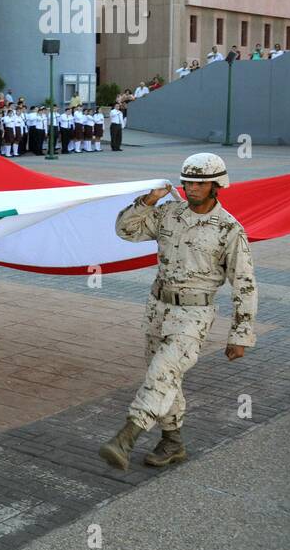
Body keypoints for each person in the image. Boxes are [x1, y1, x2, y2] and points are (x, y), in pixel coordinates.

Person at [99, 153, 256, 470]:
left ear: (216, 185)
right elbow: (125, 231)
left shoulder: (229, 230)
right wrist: (147, 201)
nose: (191, 187)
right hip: (157, 310)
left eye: (199, 182)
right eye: (187, 181)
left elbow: (244, 284)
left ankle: (125, 438)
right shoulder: (168, 213)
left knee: (161, 373)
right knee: (167, 378)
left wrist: (241, 334)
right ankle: (172, 441)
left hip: (193, 317)